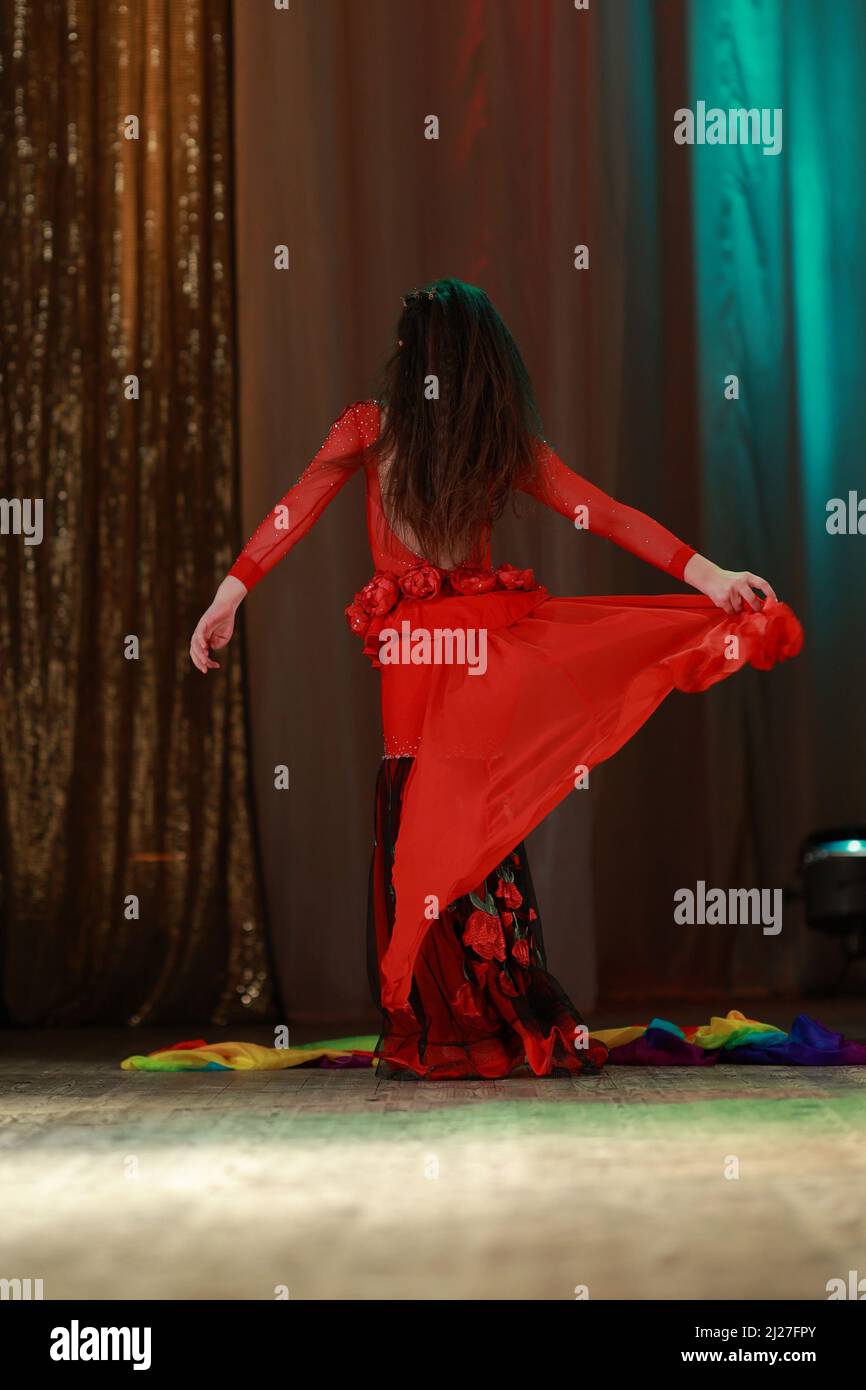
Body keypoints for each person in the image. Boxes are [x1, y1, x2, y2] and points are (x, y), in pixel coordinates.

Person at [190, 278, 802, 1080]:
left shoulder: (378, 430)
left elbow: (289, 513)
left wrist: (228, 594)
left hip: (421, 659)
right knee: (470, 816)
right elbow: (603, 511)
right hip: (482, 655)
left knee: (425, 813)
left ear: (417, 359)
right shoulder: (485, 440)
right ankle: (490, 1010)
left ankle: (448, 1019)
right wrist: (709, 575)